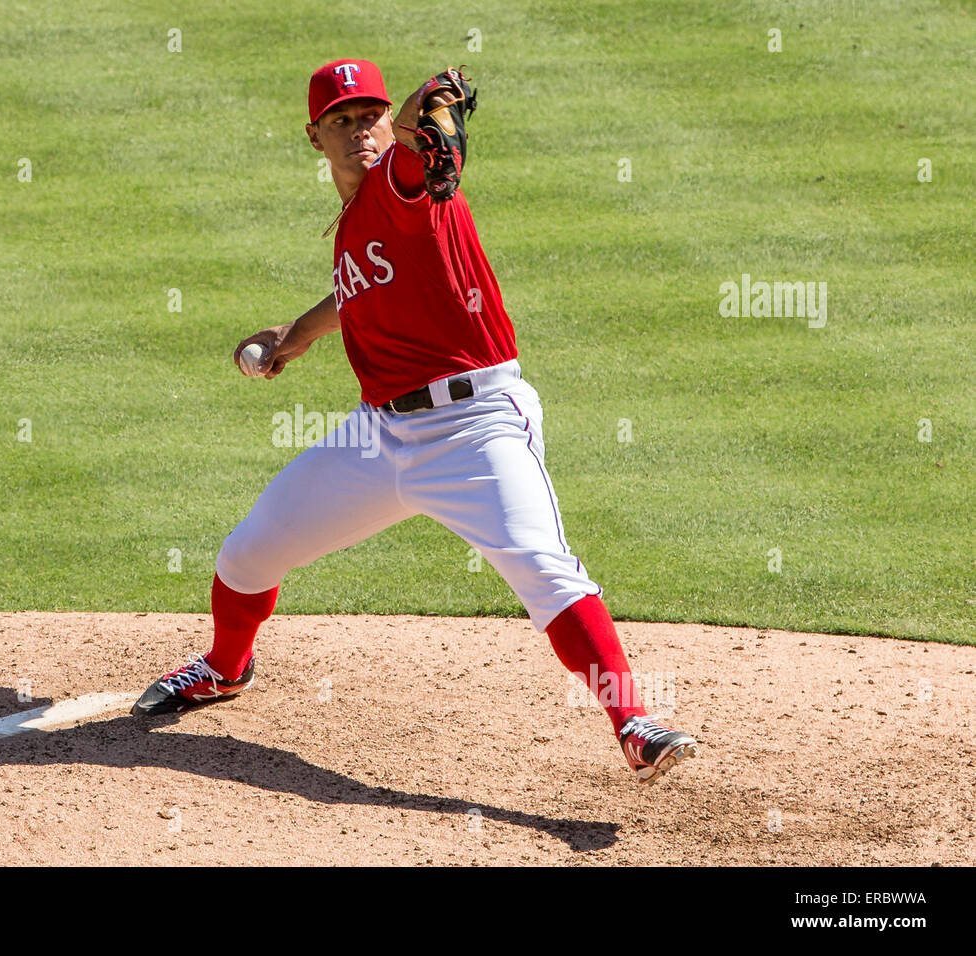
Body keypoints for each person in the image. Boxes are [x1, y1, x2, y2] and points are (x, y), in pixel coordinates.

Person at [131, 59, 699, 784]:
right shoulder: (352, 225)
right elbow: (362, 288)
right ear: (315, 138)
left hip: (476, 428)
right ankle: (224, 667)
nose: (358, 130)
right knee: (248, 553)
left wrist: (432, 94)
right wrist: (296, 334)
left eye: (367, 116)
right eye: (341, 121)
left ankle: (634, 724)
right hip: (381, 437)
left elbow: (415, 130)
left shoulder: (401, 182)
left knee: (543, 570)